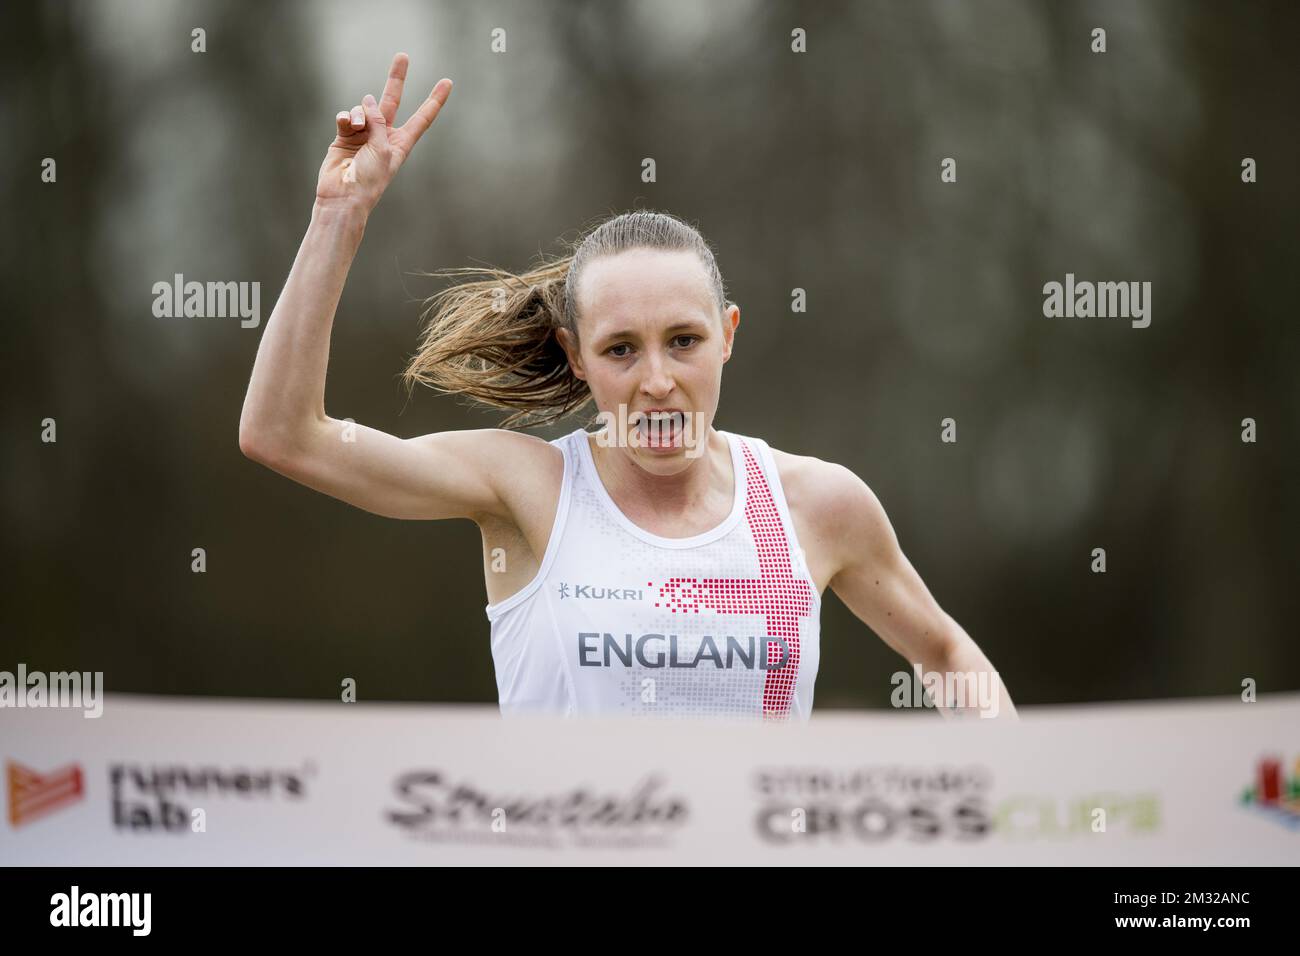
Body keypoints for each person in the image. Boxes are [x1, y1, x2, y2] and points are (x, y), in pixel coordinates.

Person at [238, 53, 1017, 722]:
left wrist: (1025, 802)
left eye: (684, 341)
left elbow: (945, 649)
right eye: (620, 350)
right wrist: (339, 216)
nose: (656, 382)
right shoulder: (527, 488)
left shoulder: (818, 504)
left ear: (730, 336)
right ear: (576, 357)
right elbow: (284, 435)